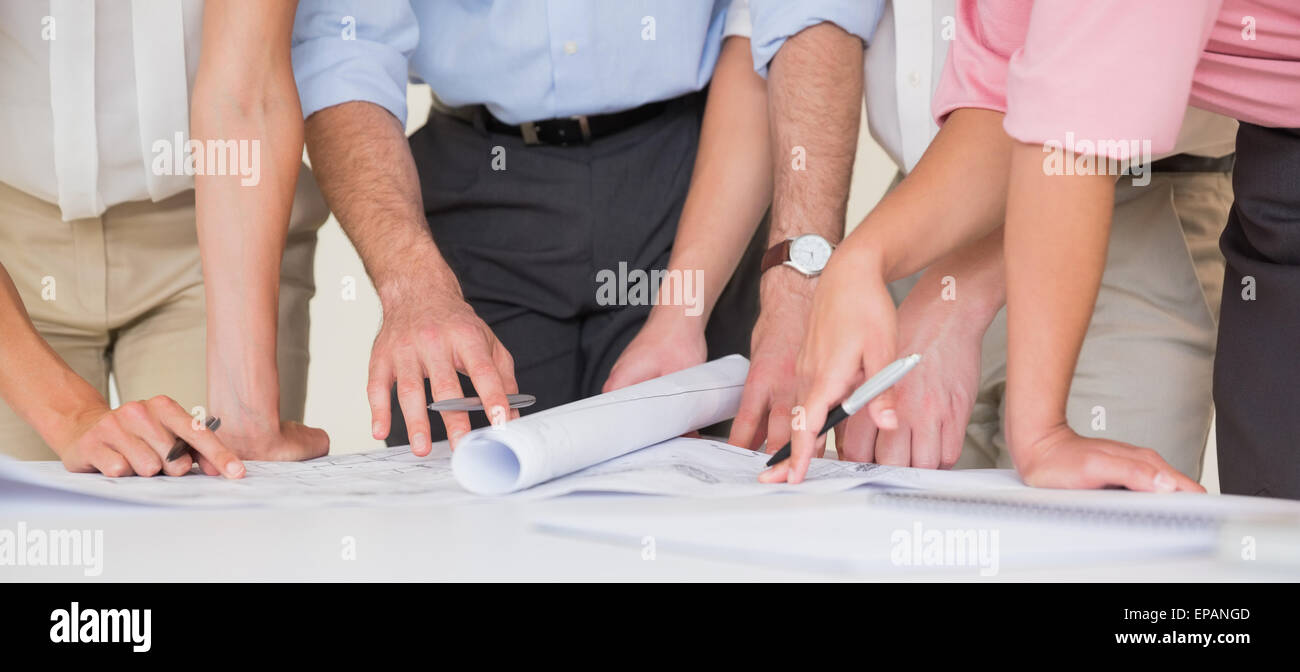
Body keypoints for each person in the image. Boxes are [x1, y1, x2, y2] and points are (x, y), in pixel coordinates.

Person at [787, 0, 1300, 497]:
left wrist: (1040, 434)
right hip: (1274, 165)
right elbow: (1000, 104)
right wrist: (860, 261)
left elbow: (1081, 113)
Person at [292, 0, 797, 456]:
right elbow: (344, 48)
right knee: (464, 493)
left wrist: (684, 311)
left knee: (681, 500)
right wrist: (413, 285)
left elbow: (762, 22)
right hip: (477, 183)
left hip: (696, 180)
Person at [0, 0, 328, 476]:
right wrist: (71, 416)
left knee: (214, 527)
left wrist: (246, 411)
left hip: (210, 230)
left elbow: (245, 96)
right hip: (14, 243)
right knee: (21, 537)